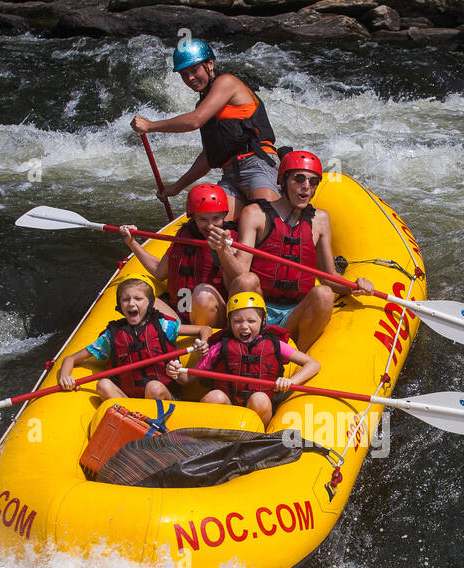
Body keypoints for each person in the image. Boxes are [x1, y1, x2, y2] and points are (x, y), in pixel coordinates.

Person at [209, 150, 372, 352]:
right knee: (246, 280)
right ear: (283, 181)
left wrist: (355, 286)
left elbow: (329, 277)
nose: (306, 187)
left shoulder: (320, 220)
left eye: (313, 182)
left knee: (324, 293)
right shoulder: (256, 213)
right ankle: (239, 349)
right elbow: (239, 273)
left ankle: (297, 357)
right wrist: (223, 250)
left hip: (296, 311)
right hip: (257, 307)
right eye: (299, 179)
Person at [130, 38, 279, 219]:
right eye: (184, 74)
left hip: (257, 164)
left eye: (194, 70)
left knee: (267, 220)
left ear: (210, 63)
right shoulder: (204, 104)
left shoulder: (227, 82)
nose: (190, 78)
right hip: (231, 175)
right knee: (211, 223)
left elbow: (195, 121)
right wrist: (176, 187)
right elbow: (209, 156)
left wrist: (150, 126)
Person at [166, 291, 318, 427]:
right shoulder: (219, 347)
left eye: (251, 321)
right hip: (229, 409)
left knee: (260, 398)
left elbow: (312, 364)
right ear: (230, 323)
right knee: (215, 396)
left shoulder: (275, 344)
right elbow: (187, 378)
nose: (244, 326)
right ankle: (211, 436)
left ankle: (257, 438)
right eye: (237, 321)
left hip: (258, 409)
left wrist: (292, 381)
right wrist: (175, 371)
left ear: (263, 322)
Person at [58, 276, 210, 401]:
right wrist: (65, 377)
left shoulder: (164, 326)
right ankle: (134, 421)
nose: (131, 303)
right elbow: (70, 359)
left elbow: (205, 329)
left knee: (153, 387)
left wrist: (203, 342)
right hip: (130, 404)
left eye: (138, 298)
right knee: (103, 385)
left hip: (164, 398)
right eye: (126, 299)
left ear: (149, 303)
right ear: (120, 305)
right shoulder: (112, 335)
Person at [118, 184, 236, 328]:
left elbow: (235, 287)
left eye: (216, 218)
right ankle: (181, 331)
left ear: (225, 215)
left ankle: (203, 338)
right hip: (179, 314)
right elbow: (159, 272)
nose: (210, 225)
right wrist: (132, 243)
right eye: (202, 219)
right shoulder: (183, 236)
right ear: (193, 218)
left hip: (213, 318)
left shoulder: (229, 240)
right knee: (137, 297)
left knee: (202, 295)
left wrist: (224, 251)